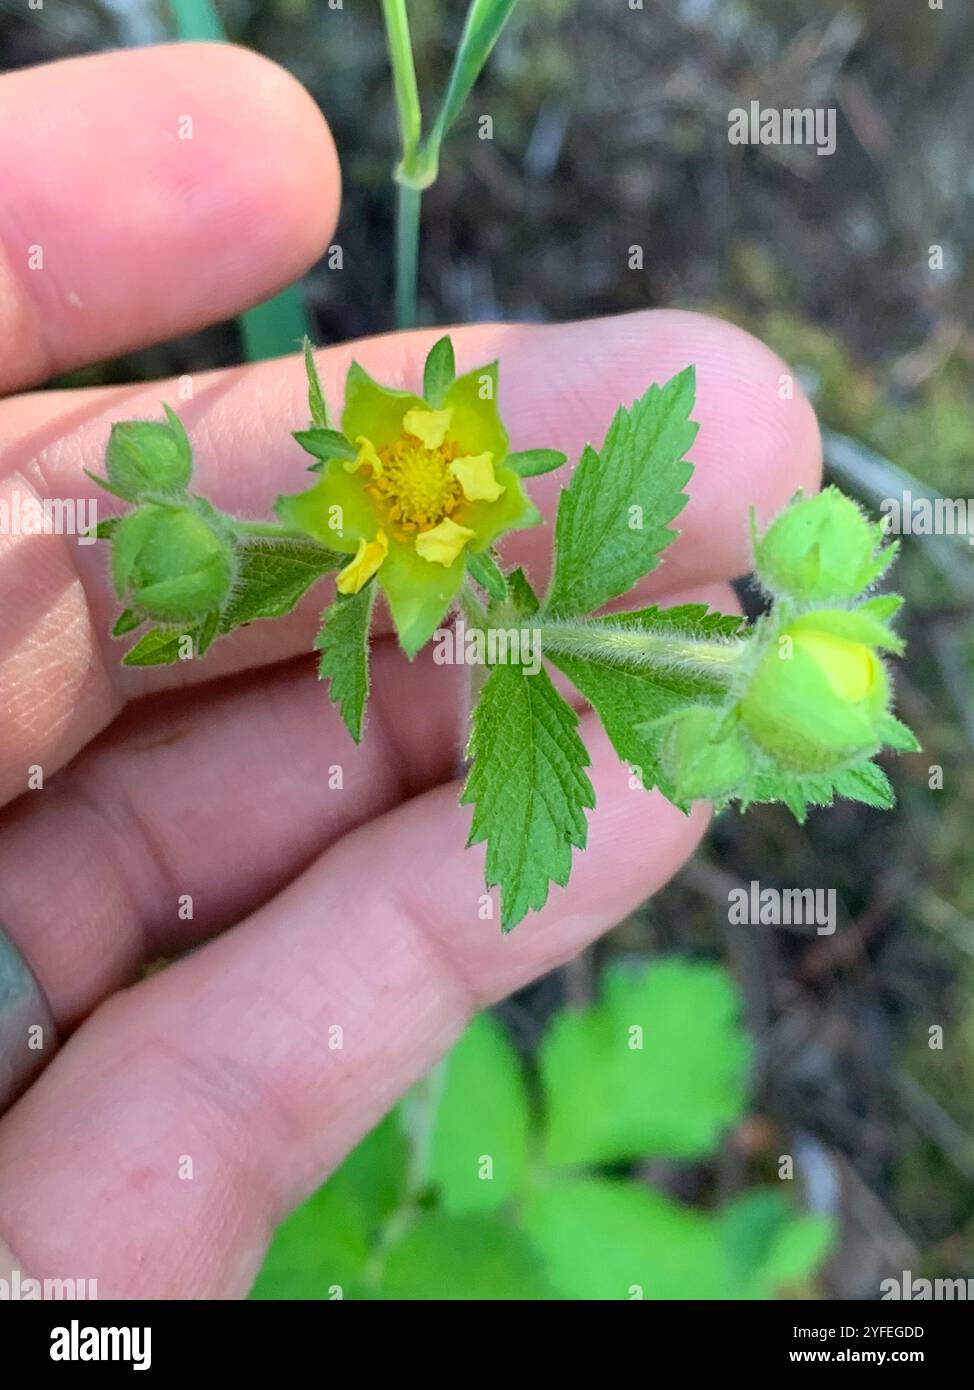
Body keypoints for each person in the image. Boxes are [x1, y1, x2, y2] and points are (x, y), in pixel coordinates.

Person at [0, 42, 821, 1298]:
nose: (415, 488)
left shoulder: (440, 515)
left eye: (433, 483)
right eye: (400, 482)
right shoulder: (366, 513)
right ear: (377, 474)